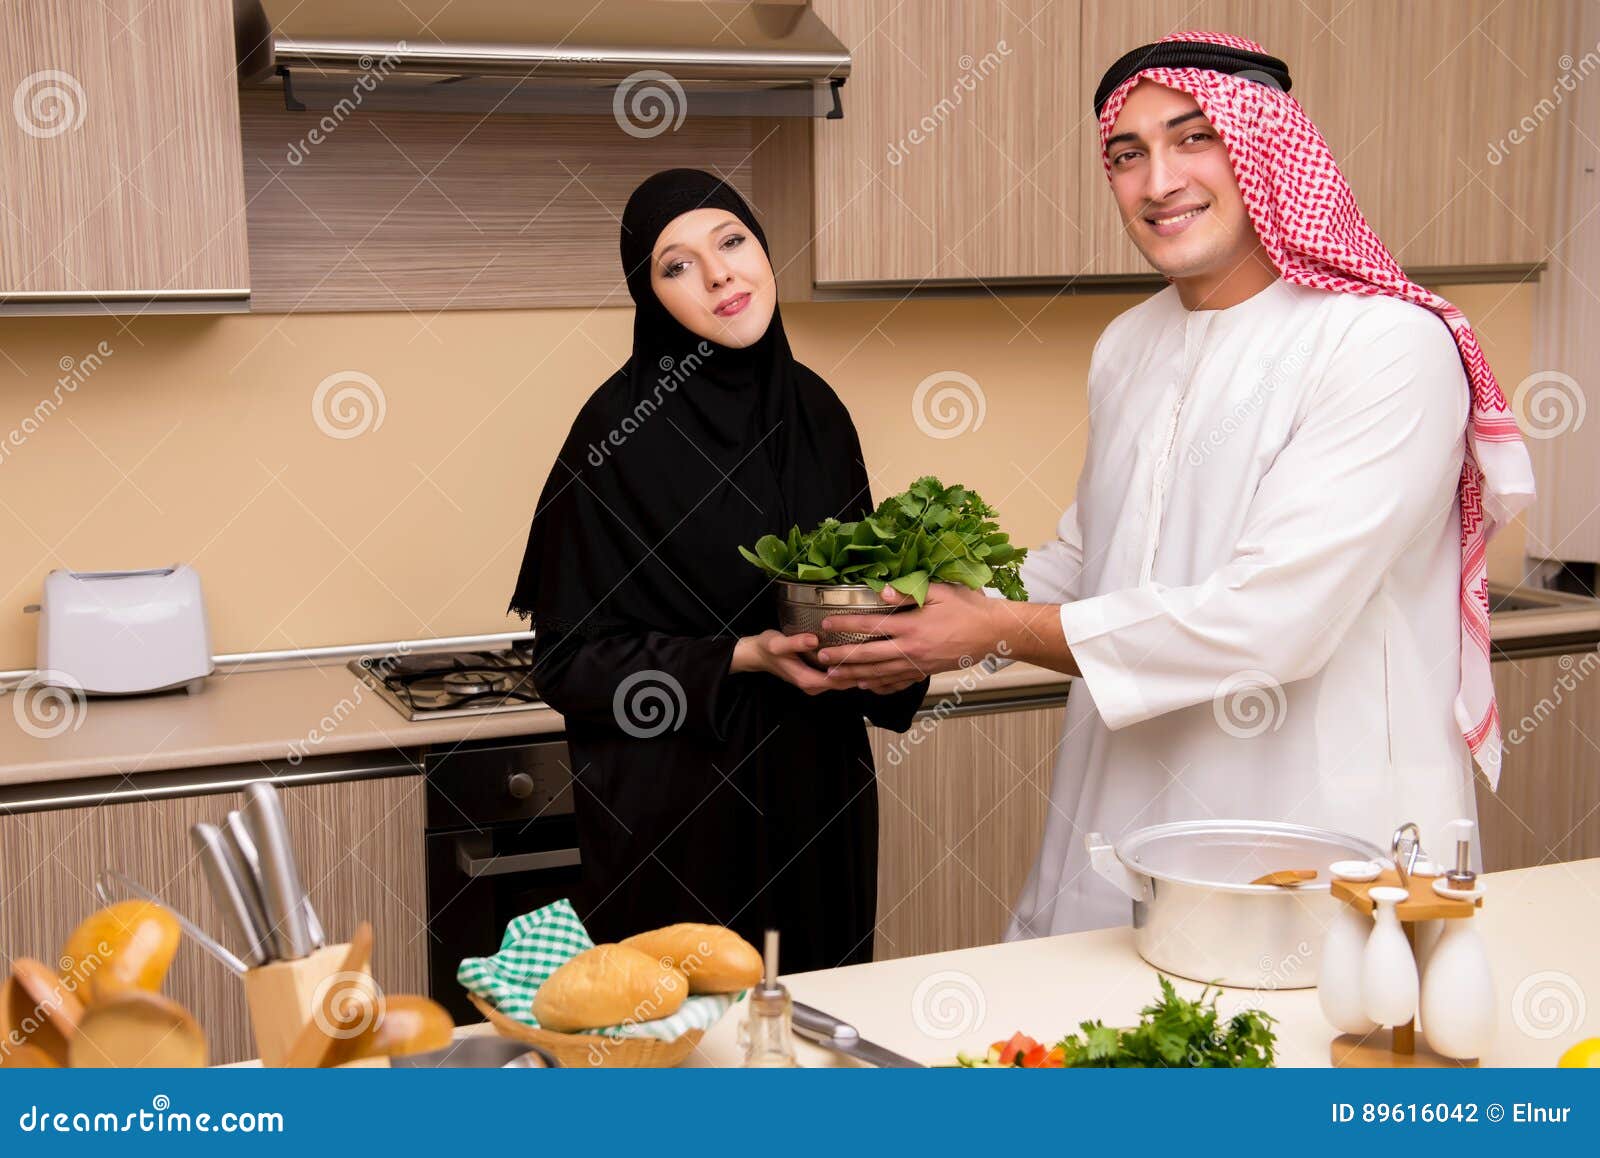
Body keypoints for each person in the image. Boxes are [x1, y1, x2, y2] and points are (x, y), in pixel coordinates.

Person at [815, 31, 1535, 936]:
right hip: (1119, 810)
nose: (1158, 182)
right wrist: (924, 616)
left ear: (1268, 147)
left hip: (1316, 834)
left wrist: (996, 628)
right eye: (1127, 155)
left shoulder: (1385, 346)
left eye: (1196, 138)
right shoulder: (1129, 344)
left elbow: (1273, 620)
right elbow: (1091, 558)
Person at [508, 168, 927, 970]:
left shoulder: (817, 412)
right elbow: (567, 667)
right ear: (651, 295)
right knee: (687, 1064)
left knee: (813, 1053)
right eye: (677, 264)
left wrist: (895, 643)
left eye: (731, 241)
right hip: (676, 827)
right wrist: (745, 655)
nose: (719, 273)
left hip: (818, 808)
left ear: (764, 251)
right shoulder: (613, 433)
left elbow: (845, 600)